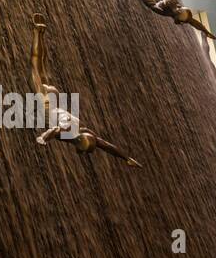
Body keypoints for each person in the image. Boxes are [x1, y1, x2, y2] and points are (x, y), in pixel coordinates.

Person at [29, 13, 141, 167]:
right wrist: (43, 138)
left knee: (41, 67)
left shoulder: (84, 130)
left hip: (54, 99)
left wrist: (126, 157)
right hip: (47, 101)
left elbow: (108, 146)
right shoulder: (69, 133)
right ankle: (37, 32)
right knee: (36, 64)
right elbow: (54, 130)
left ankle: (40, 34)